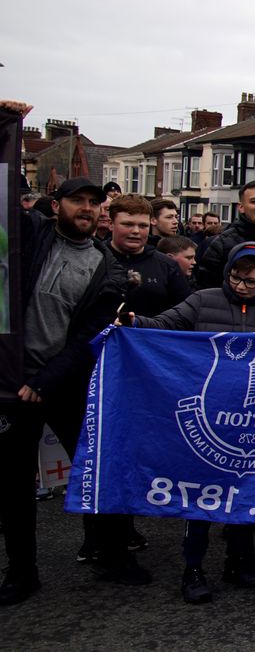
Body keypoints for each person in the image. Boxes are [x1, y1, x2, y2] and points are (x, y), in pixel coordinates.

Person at [2, 177, 140, 606]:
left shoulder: (108, 267)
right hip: (11, 380)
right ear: (55, 204)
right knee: (12, 485)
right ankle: (22, 572)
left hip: (62, 383)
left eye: (94, 203)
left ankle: (111, 554)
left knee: (99, 466)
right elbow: (5, 200)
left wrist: (45, 381)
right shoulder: (32, 234)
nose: (87, 208)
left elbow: (87, 336)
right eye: (77, 200)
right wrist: (9, 125)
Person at [124, 242, 255, 602]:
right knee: (202, 496)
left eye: (251, 281)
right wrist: (133, 323)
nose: (242, 286)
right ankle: (193, 568)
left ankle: (238, 560)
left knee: (243, 493)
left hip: (249, 420)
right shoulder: (202, 300)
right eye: (236, 277)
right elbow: (163, 326)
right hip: (205, 416)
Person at [104, 195, 190, 319]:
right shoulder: (95, 260)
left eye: (143, 226)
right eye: (128, 224)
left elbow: (183, 315)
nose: (136, 231)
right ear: (111, 224)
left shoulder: (167, 267)